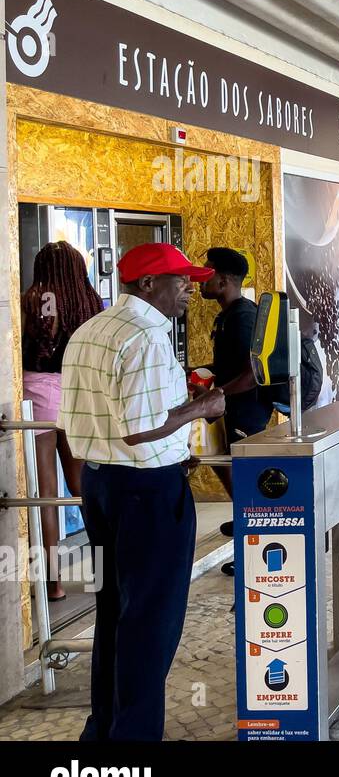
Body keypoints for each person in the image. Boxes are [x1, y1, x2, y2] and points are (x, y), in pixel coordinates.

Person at [59, 243, 227, 740]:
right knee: (150, 622)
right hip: (148, 493)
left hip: (102, 485)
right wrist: (204, 408)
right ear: (148, 284)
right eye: (180, 281)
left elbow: (101, 420)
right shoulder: (147, 337)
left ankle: (105, 730)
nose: (189, 291)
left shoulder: (91, 331)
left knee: (115, 612)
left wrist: (176, 432)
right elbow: (140, 428)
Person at [21, 241, 102, 602]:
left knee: (46, 494)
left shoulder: (30, 299)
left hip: (36, 394)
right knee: (84, 484)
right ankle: (105, 569)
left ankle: (52, 584)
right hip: (78, 393)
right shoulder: (89, 299)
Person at [196, 248, 276, 573]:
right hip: (234, 411)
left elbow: (252, 373)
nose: (200, 279)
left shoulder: (242, 316)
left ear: (224, 279)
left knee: (246, 483)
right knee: (232, 476)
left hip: (246, 413)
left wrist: (217, 393)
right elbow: (231, 364)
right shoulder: (228, 313)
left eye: (206, 272)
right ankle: (246, 525)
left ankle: (253, 554)